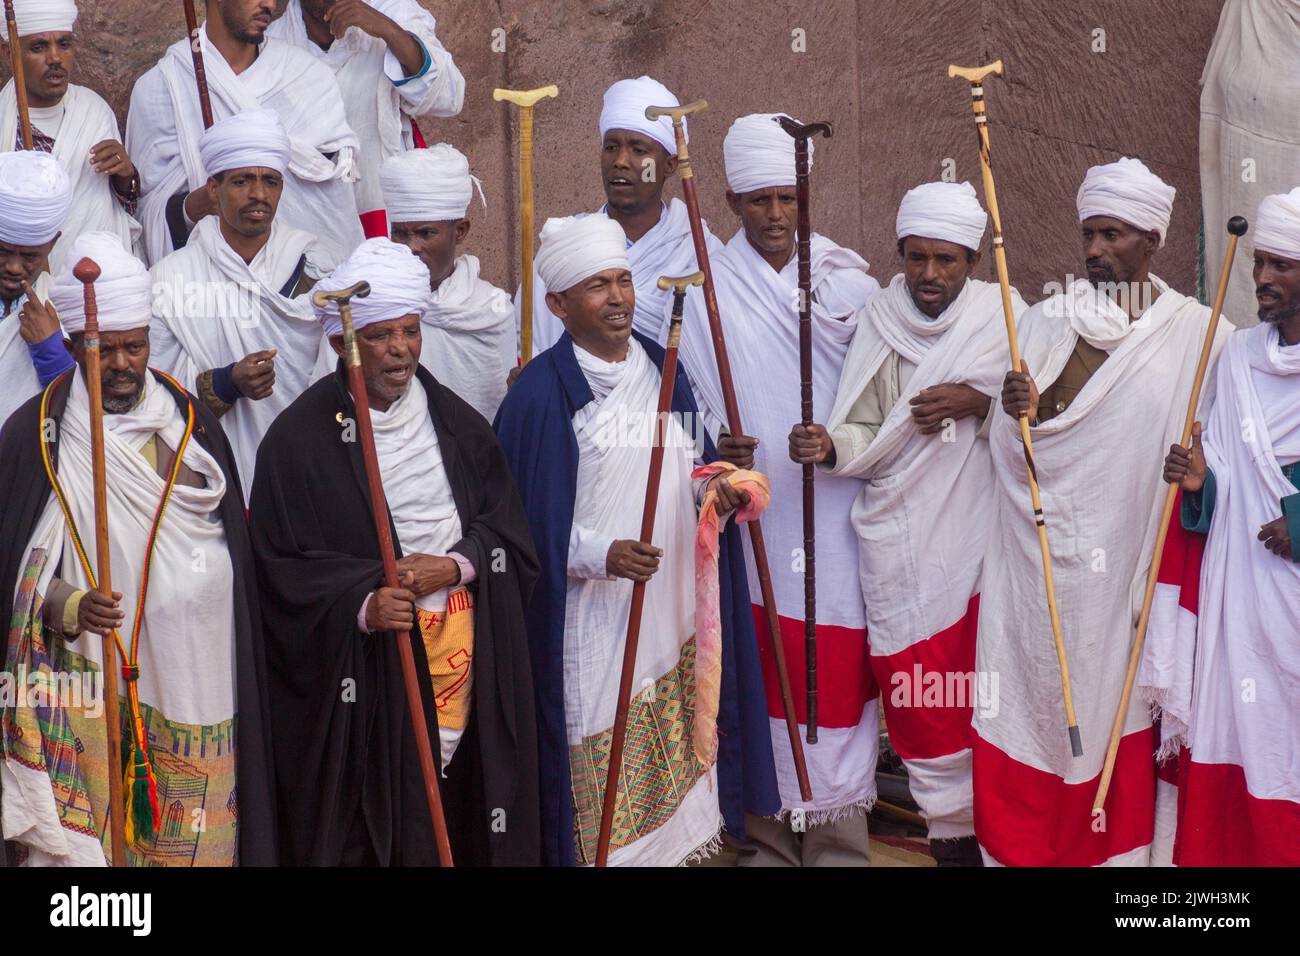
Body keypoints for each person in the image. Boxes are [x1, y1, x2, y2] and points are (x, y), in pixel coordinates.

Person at [495, 214, 780, 866]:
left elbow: (694, 468)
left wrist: (720, 491)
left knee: (678, 794)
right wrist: (601, 553)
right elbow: (515, 533)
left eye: (623, 280)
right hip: (591, 631)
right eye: (599, 285)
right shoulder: (539, 398)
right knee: (601, 805)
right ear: (559, 304)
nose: (619, 296)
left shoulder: (662, 364)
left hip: (668, 617)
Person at [250, 237, 540, 866]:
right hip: (368, 687)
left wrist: (457, 563)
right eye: (381, 335)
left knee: (467, 818)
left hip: (463, 656)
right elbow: (278, 576)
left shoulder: (460, 425)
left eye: (410, 331)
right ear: (340, 344)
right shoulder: (296, 444)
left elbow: (509, 536)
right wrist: (360, 602)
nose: (401, 349)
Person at [978, 157, 1232, 866]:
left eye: (1112, 234)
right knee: (1038, 713)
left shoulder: (1202, 336)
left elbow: (1225, 464)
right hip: (1040, 577)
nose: (1094, 251)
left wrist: (1200, 480)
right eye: (1088, 233)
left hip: (1129, 571)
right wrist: (1014, 416)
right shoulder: (1044, 320)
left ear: (1151, 239)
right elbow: (1011, 454)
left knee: (1116, 714)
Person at [0, 232, 274, 866]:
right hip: (87, 678)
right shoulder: (36, 434)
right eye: (104, 348)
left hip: (196, 672)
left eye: (134, 345)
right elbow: (14, 560)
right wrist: (67, 604)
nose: (122, 363)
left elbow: (223, 534)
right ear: (71, 347)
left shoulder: (190, 418)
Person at [791, 181, 1020, 866]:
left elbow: (1045, 425)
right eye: (917, 258)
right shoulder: (882, 317)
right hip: (899, 545)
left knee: (989, 703)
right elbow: (866, 426)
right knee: (921, 707)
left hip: (980, 551)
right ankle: (949, 841)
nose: (929, 275)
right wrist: (829, 447)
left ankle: (1003, 841)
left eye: (946, 260)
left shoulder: (1006, 318)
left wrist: (977, 402)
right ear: (899, 255)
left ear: (972, 260)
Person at [675, 111, 880, 865]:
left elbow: (884, 402)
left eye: (788, 199)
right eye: (758, 200)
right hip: (751, 531)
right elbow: (675, 413)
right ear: (730, 201)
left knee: (831, 691)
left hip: (836, 524)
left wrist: (839, 443)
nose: (774, 215)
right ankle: (764, 841)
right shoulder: (701, 289)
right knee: (763, 693)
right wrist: (713, 457)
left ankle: (837, 845)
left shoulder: (847, 286)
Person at [1154, 186, 1300, 865]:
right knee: (1241, 732)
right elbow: (1225, 478)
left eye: (1282, 266)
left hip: (1290, 598)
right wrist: (1200, 483)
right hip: (1239, 595)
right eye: (1261, 263)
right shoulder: (1237, 356)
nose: (1263, 279)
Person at [150, 109, 334, 495]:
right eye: (241, 181)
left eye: (271, 181)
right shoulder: (171, 279)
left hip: (307, 472)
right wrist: (224, 383)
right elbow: (149, 394)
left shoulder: (317, 267)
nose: (259, 195)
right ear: (213, 190)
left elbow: (337, 373)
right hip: (211, 475)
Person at [127, 0, 363, 265]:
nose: (270, 5)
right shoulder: (160, 87)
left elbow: (332, 202)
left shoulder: (309, 77)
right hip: (205, 282)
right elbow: (146, 213)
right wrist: (197, 204)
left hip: (303, 279)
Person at [516, 76, 722, 353]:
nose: (620, 162)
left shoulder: (701, 253)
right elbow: (526, 345)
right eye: (611, 147)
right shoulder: (564, 246)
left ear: (671, 164)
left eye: (638, 150)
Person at [266, 0, 464, 237]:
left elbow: (448, 96)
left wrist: (388, 31)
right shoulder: (272, 37)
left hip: (378, 202)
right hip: (301, 213)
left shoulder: (392, 10)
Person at [364, 143, 515, 421]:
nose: (411, 247)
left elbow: (499, 408)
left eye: (425, 233)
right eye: (400, 234)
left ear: (459, 231)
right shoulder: (367, 306)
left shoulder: (491, 310)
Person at [0, 0, 142, 274]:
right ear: (9, 52)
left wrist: (125, 176)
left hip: (96, 282)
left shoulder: (94, 110)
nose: (55, 58)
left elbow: (126, 204)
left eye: (64, 44)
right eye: (38, 47)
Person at [0, 149, 74, 427]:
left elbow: (86, 419)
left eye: (30, 256)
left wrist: (52, 352)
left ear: (53, 244)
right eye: (2, 251)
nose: (15, 267)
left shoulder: (66, 306)